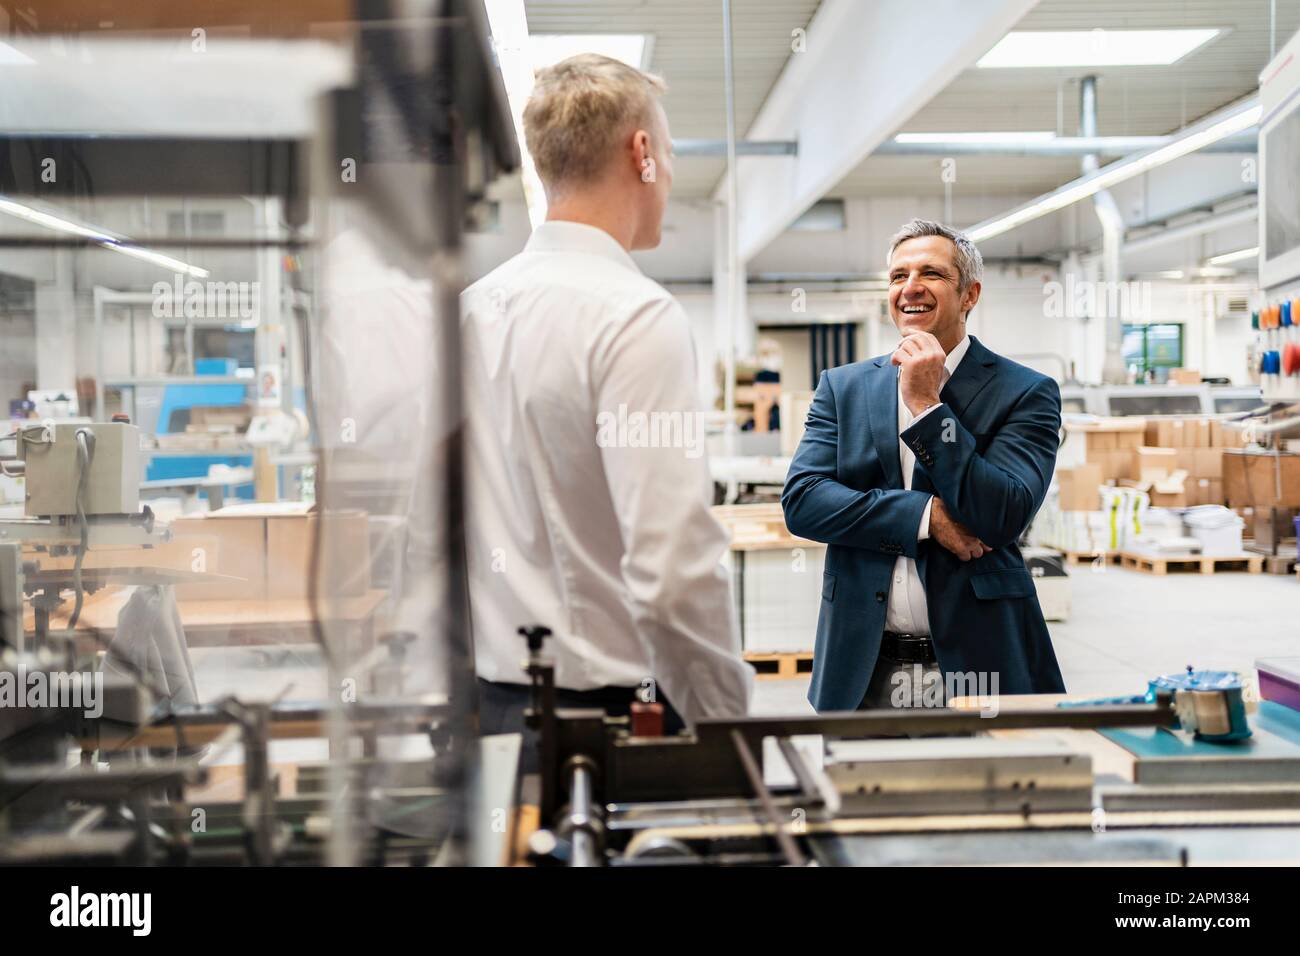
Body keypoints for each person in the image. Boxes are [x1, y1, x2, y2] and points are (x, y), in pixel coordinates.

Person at [461, 54, 752, 751]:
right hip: (617, 727)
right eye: (670, 153)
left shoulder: (469, 312)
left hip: (491, 713)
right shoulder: (634, 316)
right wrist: (726, 727)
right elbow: (671, 571)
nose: (670, 173)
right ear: (641, 152)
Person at [782, 218, 1065, 712]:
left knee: (989, 767)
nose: (910, 287)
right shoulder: (843, 388)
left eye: (931, 273)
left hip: (981, 661)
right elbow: (804, 502)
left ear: (970, 294)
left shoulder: (1024, 392)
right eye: (898, 276)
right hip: (862, 666)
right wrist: (926, 517)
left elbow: (1001, 513)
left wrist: (928, 407)